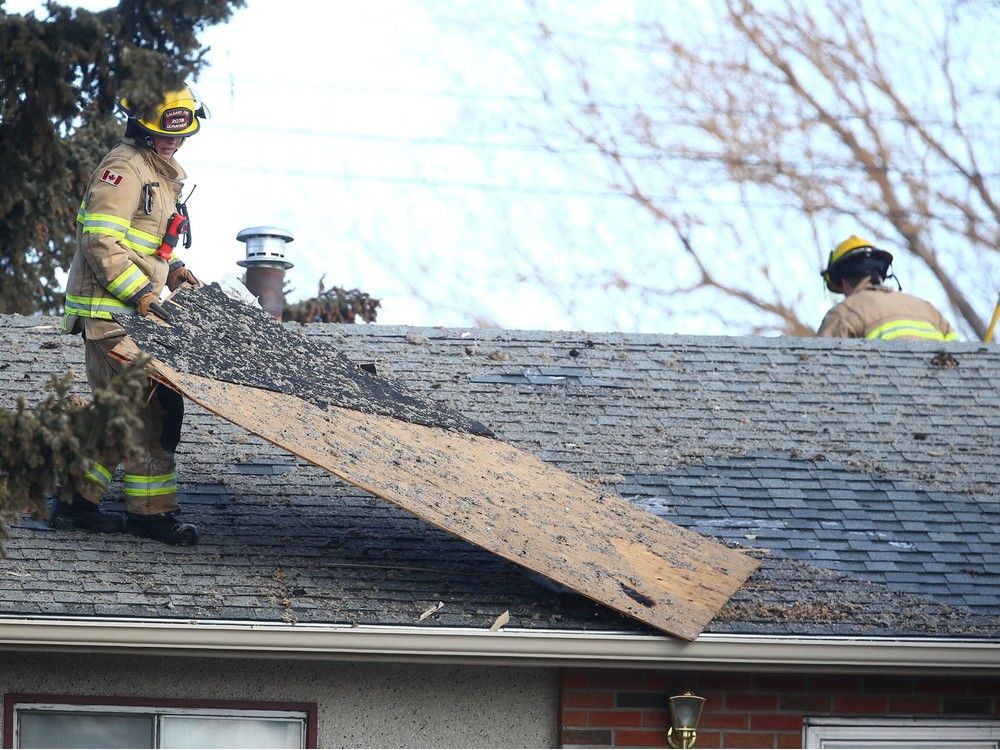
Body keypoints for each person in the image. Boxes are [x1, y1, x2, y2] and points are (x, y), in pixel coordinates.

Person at [52, 88, 207, 545]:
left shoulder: (159, 173)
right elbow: (99, 242)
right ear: (141, 127)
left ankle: (77, 504)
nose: (172, 144)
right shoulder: (123, 170)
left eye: (179, 137)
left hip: (132, 316)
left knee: (127, 412)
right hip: (110, 316)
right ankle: (149, 516)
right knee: (151, 412)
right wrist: (141, 293)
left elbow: (145, 242)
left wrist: (175, 271)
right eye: (162, 136)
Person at [817, 235, 959, 342]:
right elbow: (959, 359)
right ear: (882, 272)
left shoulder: (843, 312)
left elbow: (820, 367)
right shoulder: (929, 310)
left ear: (844, 281)